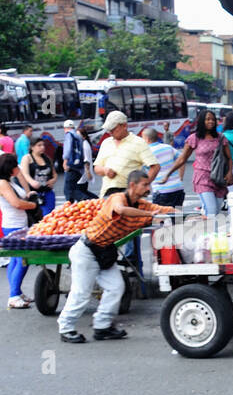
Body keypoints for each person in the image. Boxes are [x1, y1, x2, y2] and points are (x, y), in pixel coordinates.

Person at [57, 170, 173, 343]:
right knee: (81, 293)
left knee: (116, 287)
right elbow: (121, 210)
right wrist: (150, 216)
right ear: (132, 185)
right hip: (86, 251)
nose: (148, 188)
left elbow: (166, 210)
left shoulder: (143, 205)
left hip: (105, 252)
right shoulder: (117, 198)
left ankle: (102, 326)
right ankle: (66, 328)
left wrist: (192, 215)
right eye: (145, 184)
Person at [167, 109, 233, 215]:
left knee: (216, 211)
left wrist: (230, 172)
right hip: (202, 178)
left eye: (213, 119)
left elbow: (229, 158)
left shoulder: (220, 137)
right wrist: (168, 174)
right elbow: (182, 159)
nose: (211, 121)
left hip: (219, 179)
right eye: (207, 119)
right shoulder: (194, 138)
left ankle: (209, 229)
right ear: (202, 121)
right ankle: (210, 230)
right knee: (211, 210)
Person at [93, 111, 159, 199]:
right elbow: (96, 168)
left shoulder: (138, 142)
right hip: (107, 192)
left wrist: (142, 187)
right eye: (109, 130)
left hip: (129, 192)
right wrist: (105, 170)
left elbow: (155, 167)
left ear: (124, 126)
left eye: (113, 129)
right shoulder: (106, 143)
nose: (110, 132)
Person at [1, 154, 38, 309]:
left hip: (17, 224)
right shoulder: (3, 183)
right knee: (23, 260)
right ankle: (13, 296)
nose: (19, 168)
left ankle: (17, 292)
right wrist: (33, 205)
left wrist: (28, 196)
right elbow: (16, 203)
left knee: (16, 260)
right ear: (11, 169)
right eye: (16, 166)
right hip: (14, 225)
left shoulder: (9, 181)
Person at [143, 128, 184, 209]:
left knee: (159, 219)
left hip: (161, 191)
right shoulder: (168, 147)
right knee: (178, 219)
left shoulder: (146, 152)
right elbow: (182, 159)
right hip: (178, 188)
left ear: (147, 139)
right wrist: (180, 177)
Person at [19, 136, 58, 219]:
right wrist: (32, 182)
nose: (42, 147)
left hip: (47, 192)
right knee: (39, 217)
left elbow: (54, 174)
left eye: (43, 145)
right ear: (32, 147)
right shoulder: (27, 158)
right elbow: (24, 174)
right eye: (39, 145)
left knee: (49, 216)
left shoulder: (47, 158)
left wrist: (53, 180)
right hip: (34, 193)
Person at [61, 120, 92, 204]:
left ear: (65, 128)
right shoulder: (78, 136)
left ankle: (89, 201)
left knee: (69, 190)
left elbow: (67, 150)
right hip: (78, 166)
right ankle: (90, 201)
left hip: (71, 165)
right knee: (75, 189)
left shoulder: (69, 135)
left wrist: (65, 161)